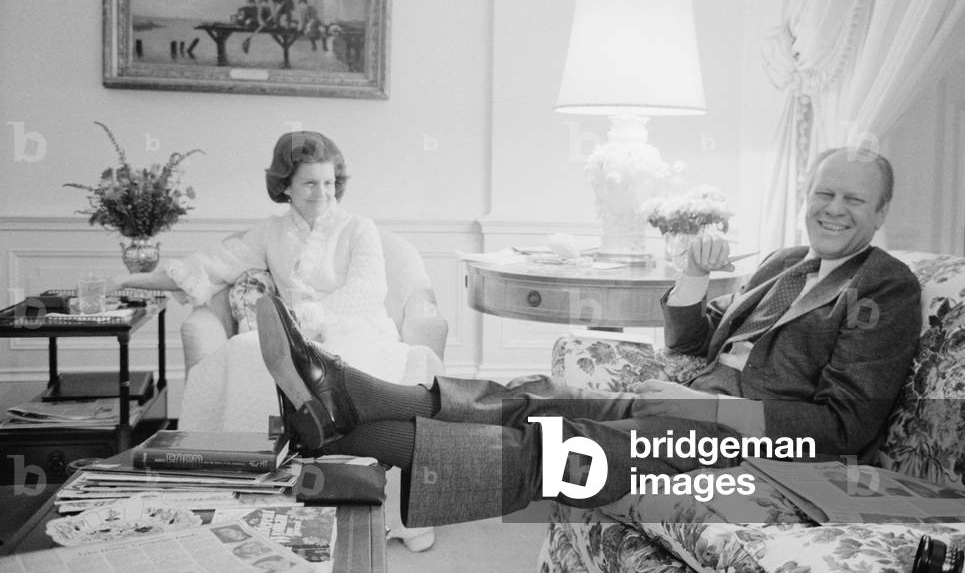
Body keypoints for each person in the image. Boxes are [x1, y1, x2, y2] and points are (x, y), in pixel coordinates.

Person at [256, 147, 923, 528]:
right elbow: (693, 346)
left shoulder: (886, 287)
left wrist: (712, 410)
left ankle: (339, 419)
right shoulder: (785, 263)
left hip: (753, 435)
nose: (833, 209)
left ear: (881, 212)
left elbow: (842, 424)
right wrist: (692, 276)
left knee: (564, 448)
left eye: (853, 201)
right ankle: (344, 398)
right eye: (824, 193)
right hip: (683, 398)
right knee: (527, 397)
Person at [111, 131, 443, 550]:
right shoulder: (270, 232)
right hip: (292, 339)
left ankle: (395, 515)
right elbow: (213, 265)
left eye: (327, 182)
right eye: (309, 183)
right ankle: (249, 503)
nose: (321, 192)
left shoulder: (359, 228)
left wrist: (305, 320)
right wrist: (137, 278)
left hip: (356, 329)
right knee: (242, 356)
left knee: (360, 371)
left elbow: (366, 292)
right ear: (284, 185)